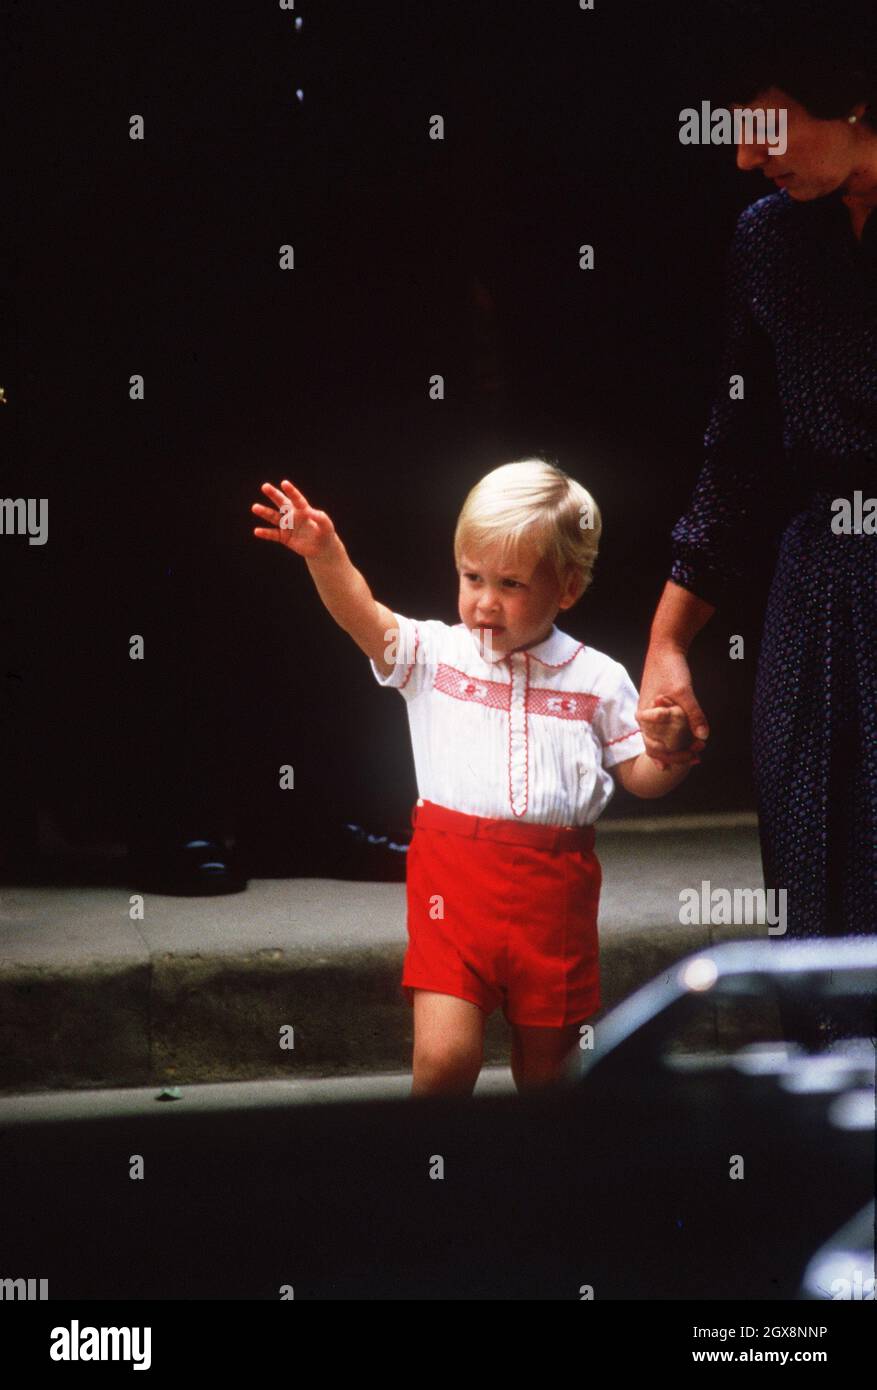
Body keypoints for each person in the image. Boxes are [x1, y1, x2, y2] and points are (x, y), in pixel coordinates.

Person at [252, 459, 694, 1096]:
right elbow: (361, 614)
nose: (485, 601)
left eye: (511, 583)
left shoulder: (597, 678)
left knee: (550, 1075)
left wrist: (668, 750)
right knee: (443, 1062)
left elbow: (641, 776)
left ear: (567, 588)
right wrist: (324, 554)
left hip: (554, 896)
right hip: (450, 887)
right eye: (472, 576)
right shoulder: (435, 655)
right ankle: (435, 1179)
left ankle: (542, 1187)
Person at [638, 0, 877, 1046]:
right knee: (815, 897)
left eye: (766, 125)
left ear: (854, 96)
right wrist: (666, 640)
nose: (742, 157)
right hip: (821, 594)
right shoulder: (772, 241)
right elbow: (735, 451)